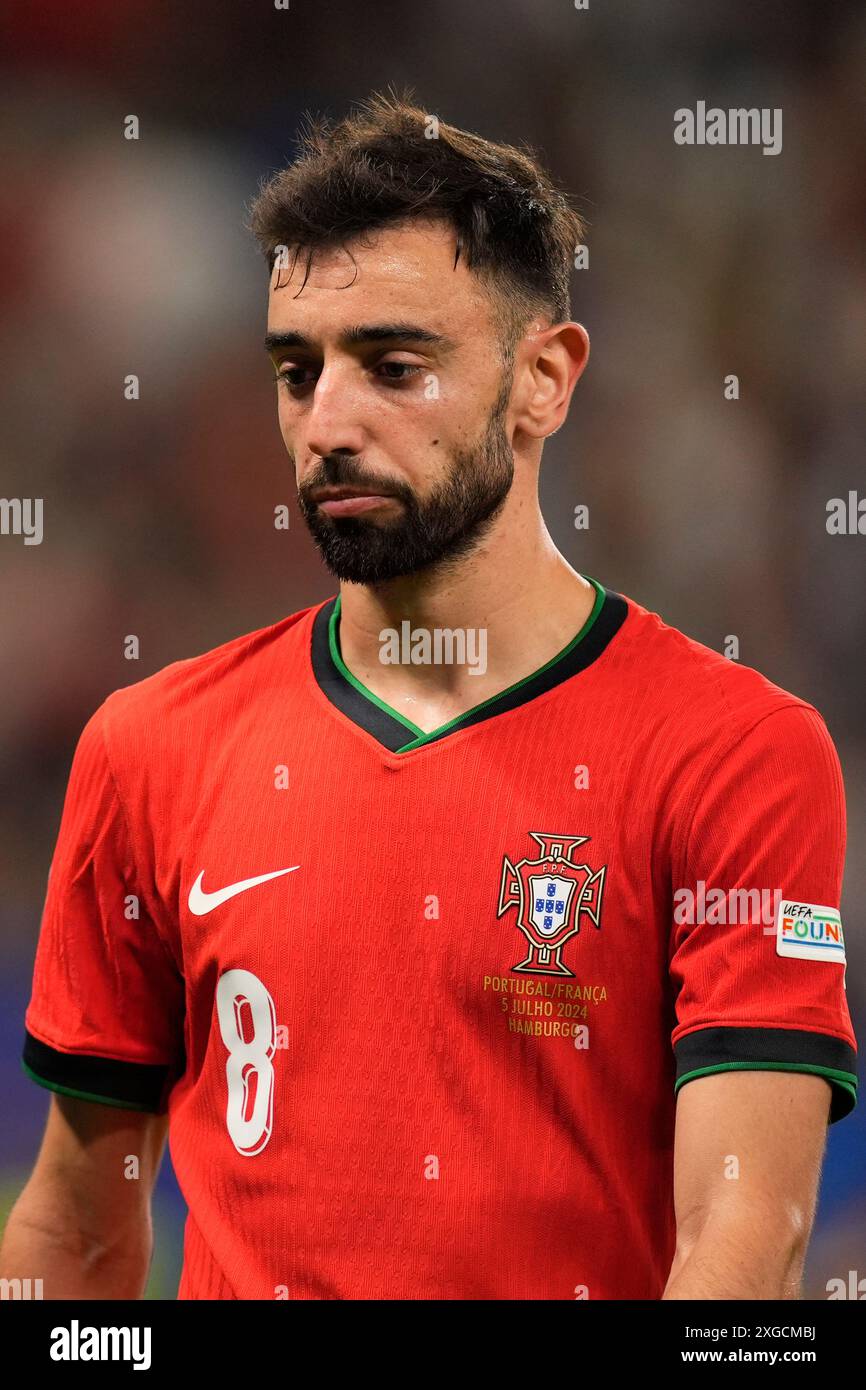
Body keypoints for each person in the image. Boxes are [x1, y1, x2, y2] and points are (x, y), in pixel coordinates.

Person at [2, 92, 856, 1300]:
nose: (326, 424)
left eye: (394, 366)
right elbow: (77, 1231)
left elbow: (745, 1235)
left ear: (543, 379)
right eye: (296, 370)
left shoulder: (735, 753)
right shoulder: (149, 748)